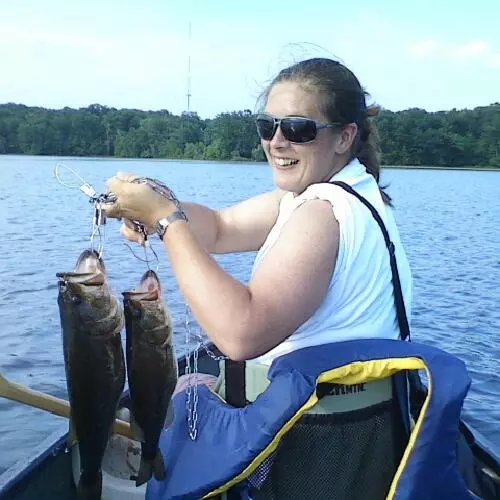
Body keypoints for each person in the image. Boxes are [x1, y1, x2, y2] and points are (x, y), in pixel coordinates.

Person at [103, 57, 413, 497]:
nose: (278, 141)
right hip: (341, 421)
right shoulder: (320, 194)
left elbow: (243, 334)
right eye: (268, 126)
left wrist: (167, 221)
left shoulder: (322, 214)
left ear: (345, 137)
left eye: (299, 129)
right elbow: (221, 226)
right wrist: (155, 209)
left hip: (324, 441)